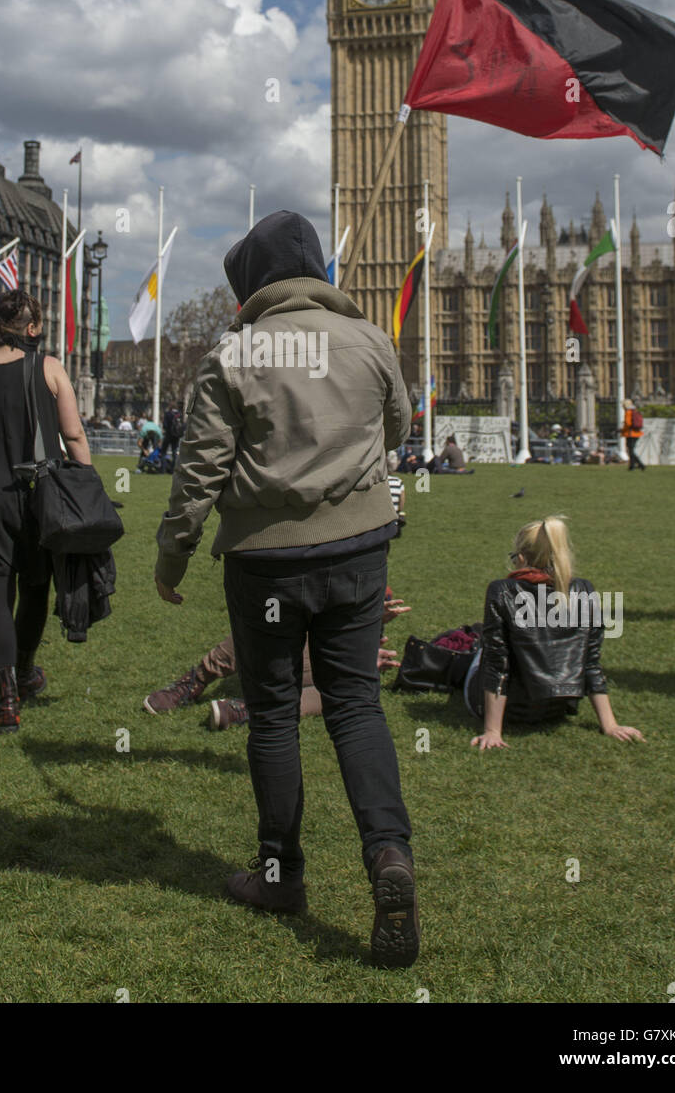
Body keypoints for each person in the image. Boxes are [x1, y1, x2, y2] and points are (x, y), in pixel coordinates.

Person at [153, 210, 418, 968]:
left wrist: (172, 559)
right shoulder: (370, 339)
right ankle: (389, 859)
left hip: (267, 562)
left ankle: (280, 875)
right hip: (361, 550)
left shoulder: (233, 354)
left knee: (272, 717)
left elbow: (198, 473)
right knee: (356, 708)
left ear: (256, 285)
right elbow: (398, 428)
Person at [0, 289, 92, 733]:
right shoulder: (49, 367)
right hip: (40, 495)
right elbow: (73, 436)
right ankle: (26, 672)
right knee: (35, 588)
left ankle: (6, 699)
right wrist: (86, 487)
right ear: (32, 328)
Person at [465, 516, 644, 749]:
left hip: (512, 709)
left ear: (521, 558)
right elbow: (591, 662)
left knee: (479, 650)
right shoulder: (584, 589)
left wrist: (492, 731)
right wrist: (610, 725)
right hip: (556, 710)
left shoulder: (502, 590)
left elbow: (498, 663)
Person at [144, 588, 412, 727]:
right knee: (271, 621)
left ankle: (254, 710)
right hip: (284, 645)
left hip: (319, 662)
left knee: (353, 686)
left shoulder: (371, 577)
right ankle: (194, 681)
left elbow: (342, 644)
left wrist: (365, 656)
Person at [621, 399, 645, 470]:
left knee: (630, 451)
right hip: (637, 433)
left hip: (630, 433)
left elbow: (628, 423)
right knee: (631, 450)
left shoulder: (628, 412)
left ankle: (639, 464)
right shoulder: (635, 411)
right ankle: (633, 465)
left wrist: (622, 430)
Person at [161, 402, 184, 473]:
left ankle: (163, 469)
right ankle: (173, 470)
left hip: (168, 435)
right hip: (176, 436)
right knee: (174, 453)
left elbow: (165, 425)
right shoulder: (179, 414)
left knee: (163, 452)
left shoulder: (168, 414)